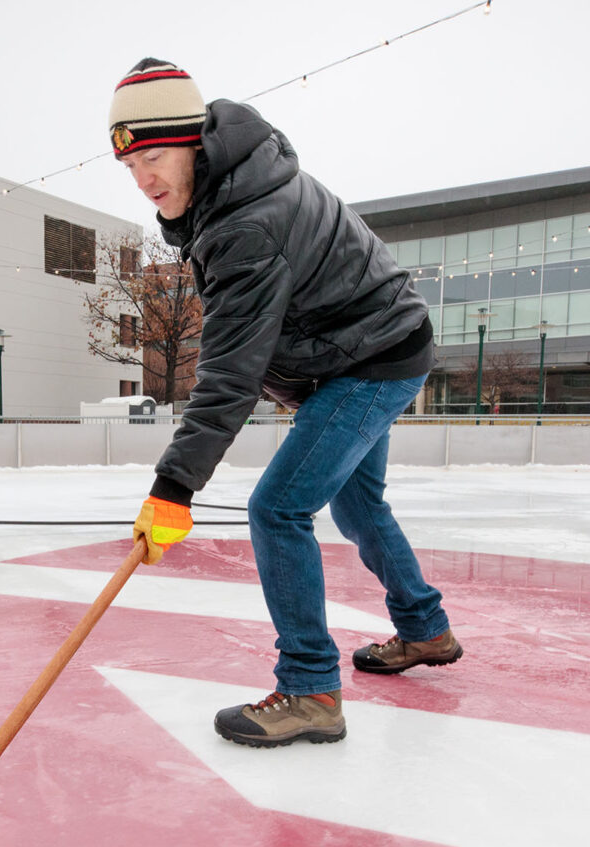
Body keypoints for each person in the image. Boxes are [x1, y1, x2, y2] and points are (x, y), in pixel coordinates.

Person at [113, 58, 461, 747]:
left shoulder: (247, 222)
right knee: (358, 504)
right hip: (366, 351)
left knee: (278, 507)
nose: (144, 179)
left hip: (370, 360)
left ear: (192, 142)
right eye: (130, 165)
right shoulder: (241, 185)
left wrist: (173, 487)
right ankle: (426, 630)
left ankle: (309, 689)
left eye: (154, 156)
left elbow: (230, 372)